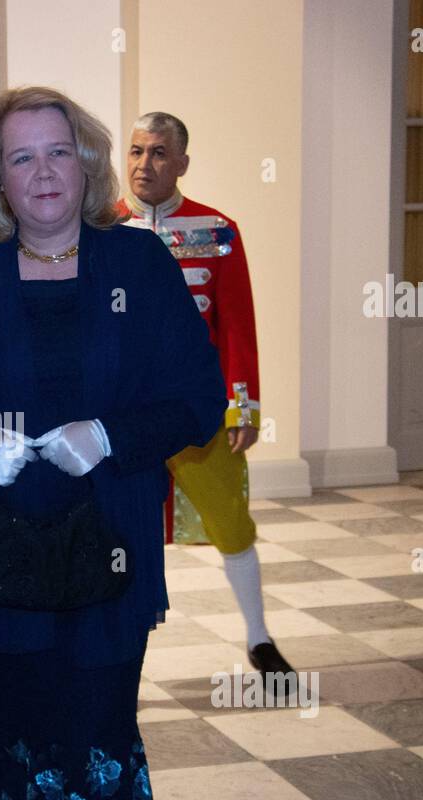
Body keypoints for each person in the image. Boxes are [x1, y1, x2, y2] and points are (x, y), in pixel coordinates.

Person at [0, 87, 226, 800]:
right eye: (21, 156)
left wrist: (109, 435)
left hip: (112, 547)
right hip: (5, 551)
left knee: (100, 726)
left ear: (86, 160)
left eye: (58, 151)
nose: (44, 171)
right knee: (20, 732)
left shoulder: (137, 261)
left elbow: (201, 399)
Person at [118, 111, 295, 681]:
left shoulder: (218, 230)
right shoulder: (101, 227)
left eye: (159, 153)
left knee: (230, 521)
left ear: (183, 163)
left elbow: (237, 324)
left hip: (199, 407)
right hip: (124, 413)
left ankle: (259, 637)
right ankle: (123, 656)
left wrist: (243, 405)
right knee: (125, 531)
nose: (145, 165)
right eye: (137, 151)